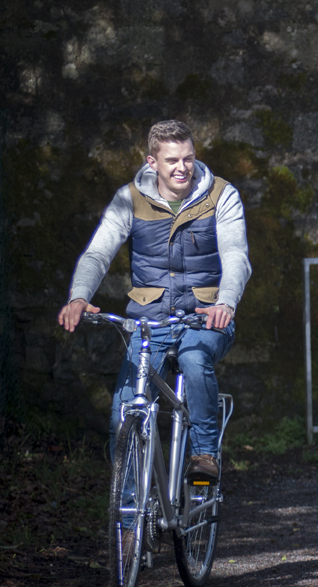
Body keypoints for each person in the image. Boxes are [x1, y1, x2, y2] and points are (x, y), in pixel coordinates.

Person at [57, 120, 250, 482]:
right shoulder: (129, 199)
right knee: (125, 415)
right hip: (151, 323)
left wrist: (226, 302)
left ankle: (204, 452)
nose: (182, 168)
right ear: (152, 162)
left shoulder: (222, 195)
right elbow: (98, 254)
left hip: (206, 318)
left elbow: (236, 255)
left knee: (194, 357)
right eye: (172, 160)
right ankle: (129, 523)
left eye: (189, 158)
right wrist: (79, 297)